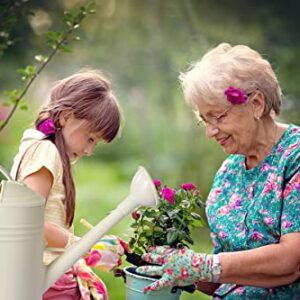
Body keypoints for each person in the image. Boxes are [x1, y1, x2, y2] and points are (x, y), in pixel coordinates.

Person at [136, 43, 300, 299]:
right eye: (204, 120)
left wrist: (202, 265)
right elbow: (218, 277)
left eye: (218, 117)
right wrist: (172, 263)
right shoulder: (227, 173)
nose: (210, 132)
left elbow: (290, 260)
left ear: (256, 103)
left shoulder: (295, 156)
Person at [10, 70, 129, 299]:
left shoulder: (41, 149)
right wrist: (84, 246)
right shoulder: (46, 151)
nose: (89, 150)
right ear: (65, 117)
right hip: (40, 277)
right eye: (90, 138)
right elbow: (27, 223)